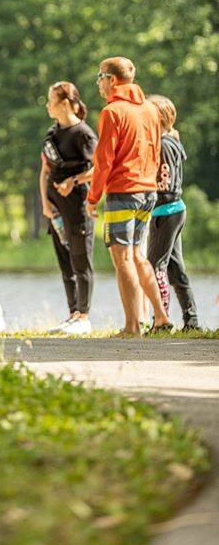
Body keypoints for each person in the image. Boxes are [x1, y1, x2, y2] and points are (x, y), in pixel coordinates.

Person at [86, 57, 173, 337]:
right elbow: (156, 150)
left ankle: (133, 326)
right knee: (137, 255)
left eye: (100, 77)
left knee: (122, 259)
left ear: (112, 80)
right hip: (148, 191)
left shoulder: (112, 112)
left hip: (123, 191)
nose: (98, 82)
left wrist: (92, 198)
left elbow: (104, 160)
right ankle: (160, 316)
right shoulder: (149, 109)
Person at [39, 82, 97, 335]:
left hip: (78, 208)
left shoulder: (83, 134)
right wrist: (45, 204)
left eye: (51, 100)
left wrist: (74, 181)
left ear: (64, 103)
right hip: (55, 210)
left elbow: (98, 169)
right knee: (65, 263)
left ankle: (84, 315)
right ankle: (73, 313)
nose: (47, 105)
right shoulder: (52, 133)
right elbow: (45, 171)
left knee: (80, 260)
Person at [147, 94, 200, 330]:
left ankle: (162, 320)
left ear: (158, 118)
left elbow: (165, 182)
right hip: (173, 210)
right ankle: (192, 321)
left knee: (154, 266)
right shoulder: (171, 142)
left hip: (166, 210)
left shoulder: (164, 145)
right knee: (175, 268)